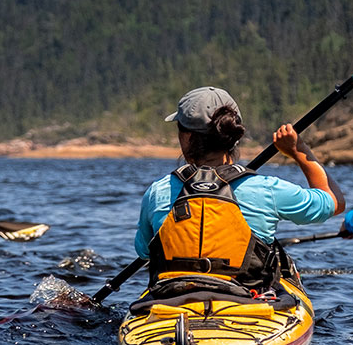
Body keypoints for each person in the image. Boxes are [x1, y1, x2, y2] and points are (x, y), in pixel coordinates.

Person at [134, 87, 342, 295]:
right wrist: (299, 151)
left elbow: (144, 251)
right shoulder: (266, 189)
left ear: (187, 137)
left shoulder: (158, 192)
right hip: (246, 301)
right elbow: (334, 202)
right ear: (233, 136)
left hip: (171, 300)